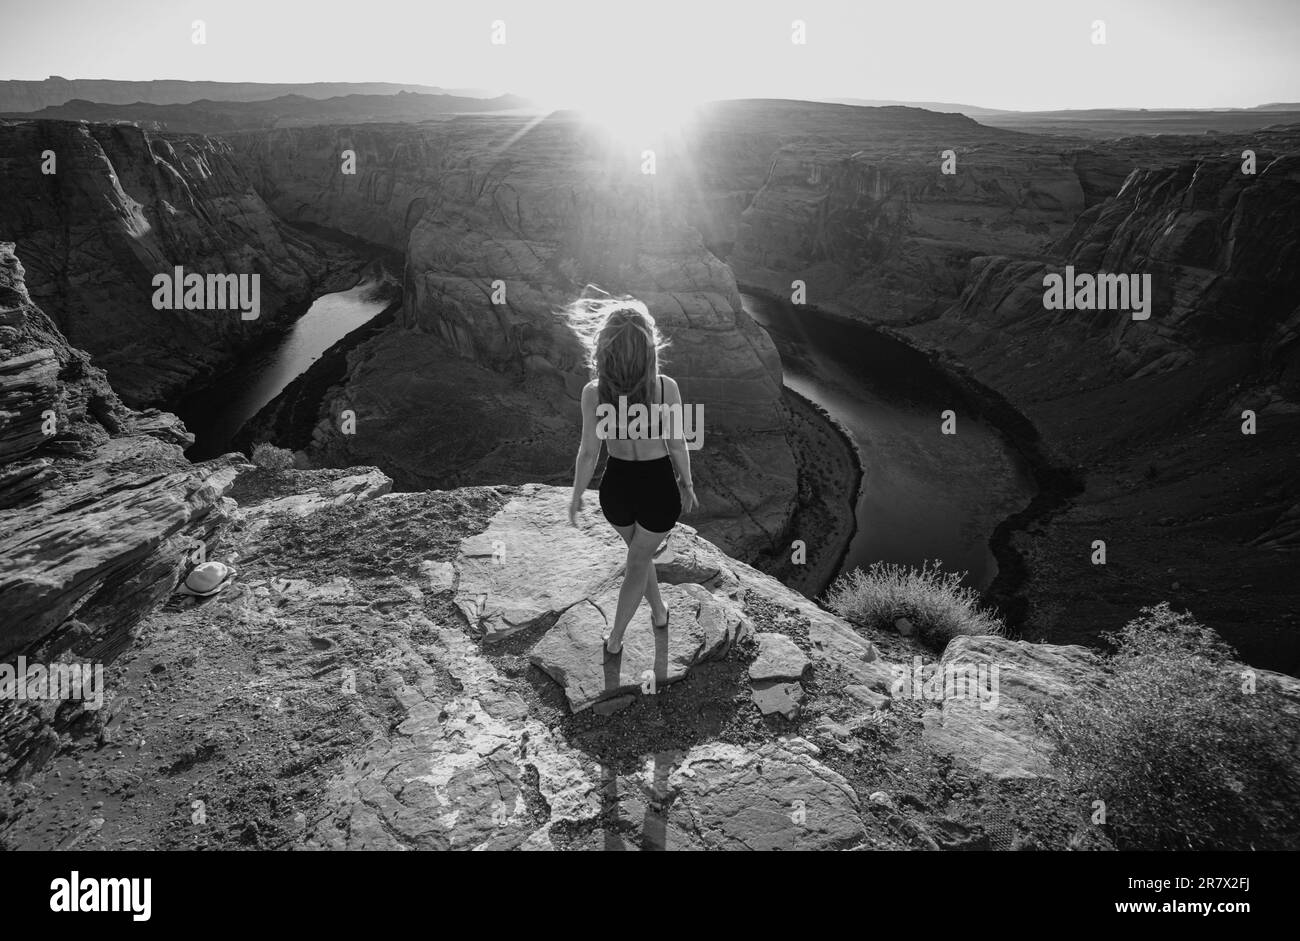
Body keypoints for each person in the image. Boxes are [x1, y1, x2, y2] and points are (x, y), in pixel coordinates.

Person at [566, 296, 698, 658]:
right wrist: (687, 484)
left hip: (616, 490)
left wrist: (577, 494)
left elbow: (589, 452)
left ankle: (659, 613)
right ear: (648, 345)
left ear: (605, 346)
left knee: (638, 556)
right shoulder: (665, 387)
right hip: (657, 491)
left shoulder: (594, 392)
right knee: (639, 559)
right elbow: (677, 443)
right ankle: (616, 637)